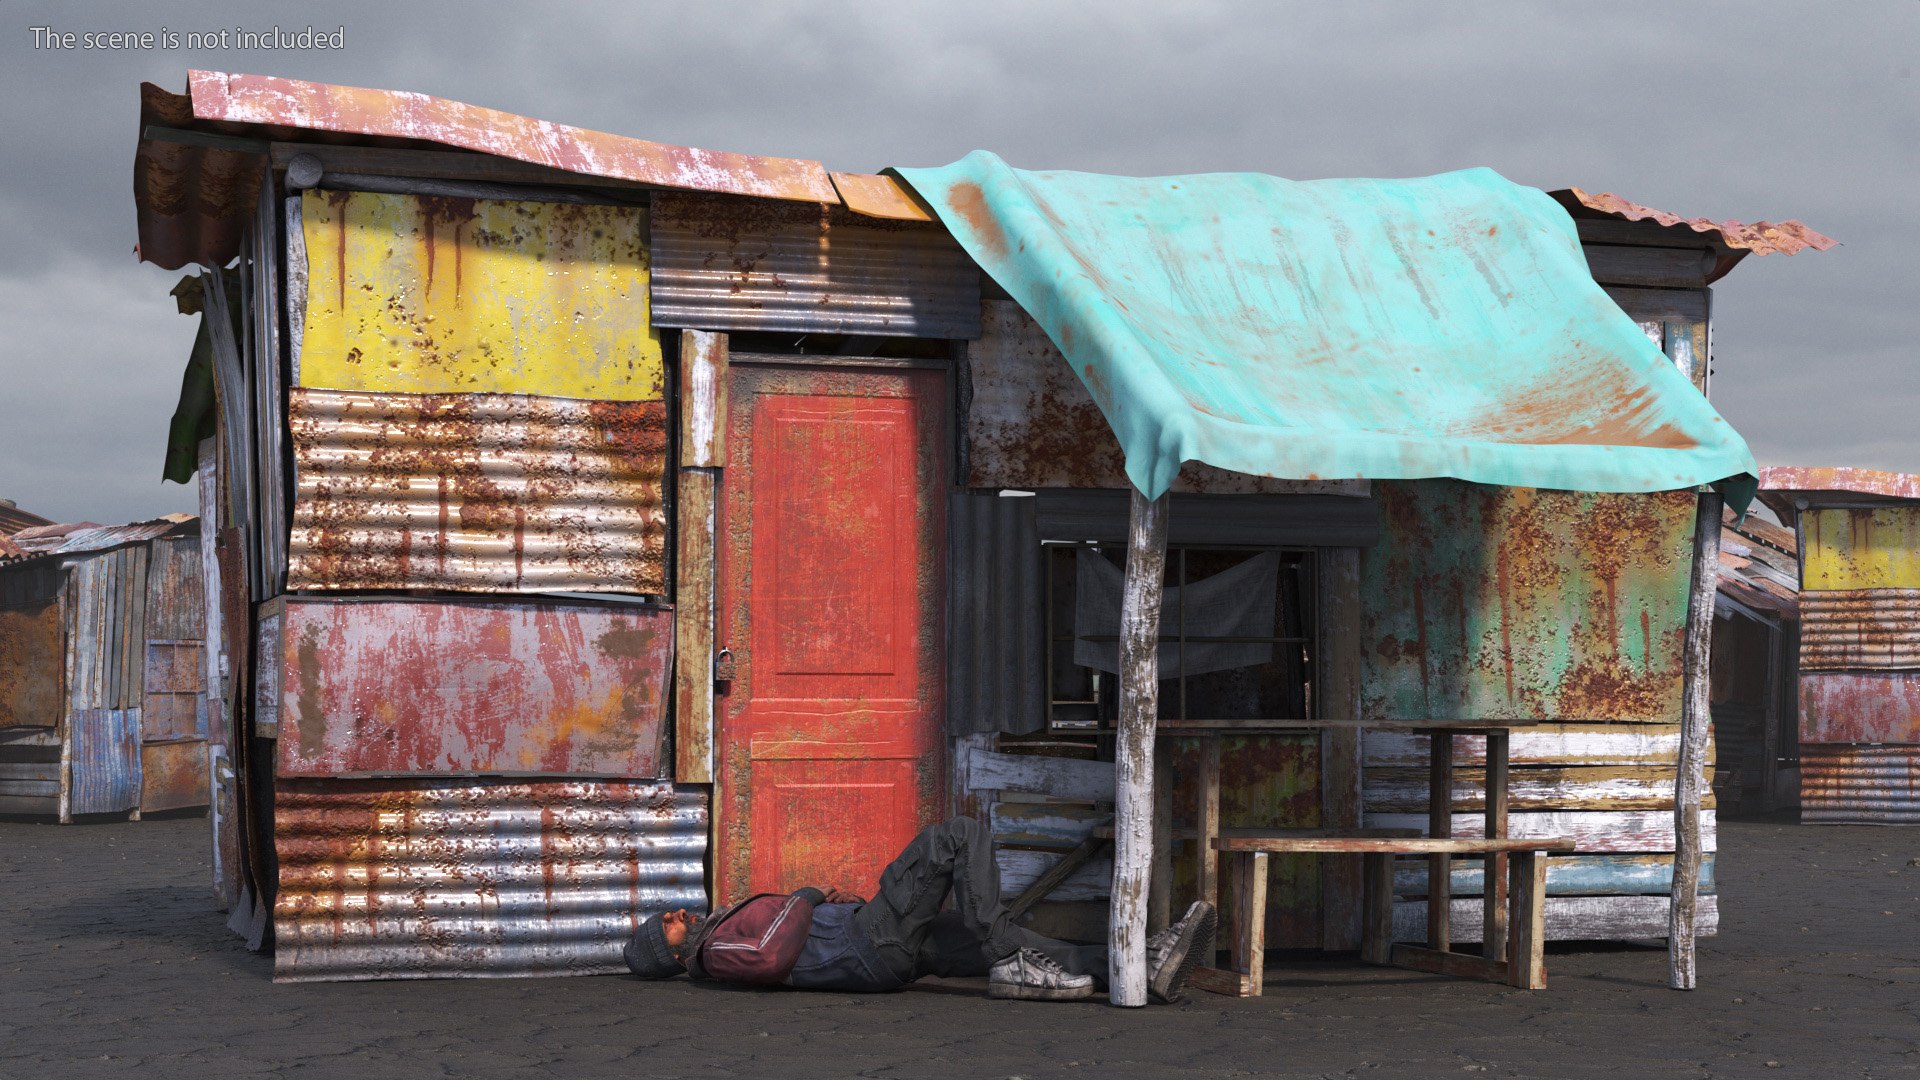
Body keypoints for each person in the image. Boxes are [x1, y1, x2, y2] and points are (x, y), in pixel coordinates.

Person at [625, 816, 1215, 1003]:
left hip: (875, 949)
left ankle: (1139, 967)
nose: (679, 912)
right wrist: (803, 898)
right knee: (956, 836)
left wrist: (824, 908)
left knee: (996, 933)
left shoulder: (715, 940)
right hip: (870, 944)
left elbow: (787, 942)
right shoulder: (715, 948)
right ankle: (1008, 957)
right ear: (672, 951)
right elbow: (768, 951)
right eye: (669, 923)